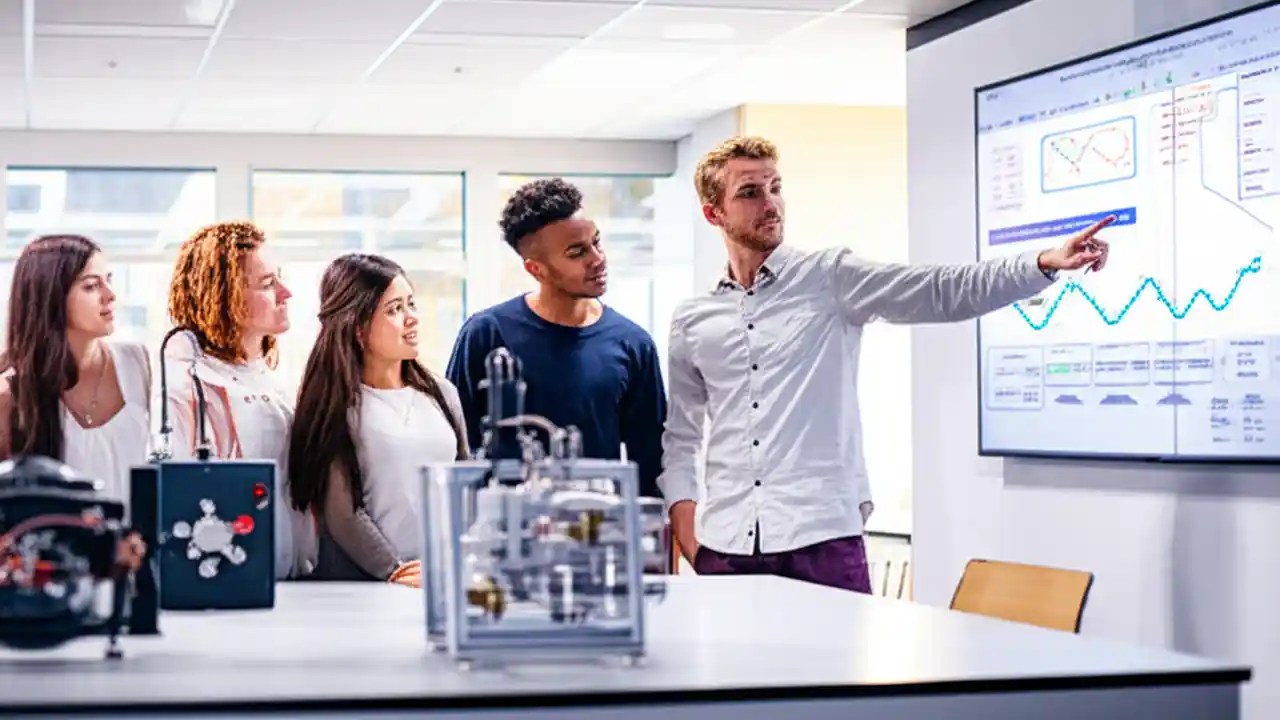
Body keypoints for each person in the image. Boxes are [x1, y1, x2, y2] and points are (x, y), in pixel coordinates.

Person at [658, 136, 1112, 593]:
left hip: (821, 539)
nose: (771, 203)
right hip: (726, 548)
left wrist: (1042, 264)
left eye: (775, 187)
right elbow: (681, 438)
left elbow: (940, 290)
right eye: (750, 193)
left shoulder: (830, 276)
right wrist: (690, 535)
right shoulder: (694, 320)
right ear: (714, 213)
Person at [445, 177, 666, 497]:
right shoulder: (486, 334)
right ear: (536, 269)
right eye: (577, 252)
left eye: (597, 242)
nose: (597, 259)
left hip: (597, 522)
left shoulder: (633, 344)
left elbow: (650, 462)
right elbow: (455, 447)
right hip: (503, 522)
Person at [288, 253, 468, 586]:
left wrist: (454, 562)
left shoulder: (442, 394)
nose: (411, 318)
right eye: (394, 309)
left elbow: (465, 487)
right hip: (366, 586)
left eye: (411, 304)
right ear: (358, 327)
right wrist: (394, 570)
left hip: (438, 577)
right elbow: (342, 513)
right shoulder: (336, 406)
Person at [162, 220, 315, 580]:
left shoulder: (274, 380)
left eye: (279, 278)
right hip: (226, 577)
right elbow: (177, 497)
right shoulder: (184, 385)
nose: (286, 293)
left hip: (294, 577)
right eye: (267, 283)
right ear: (223, 294)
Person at [0, 234, 150, 504]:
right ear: (50, 297)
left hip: (140, 532)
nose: (110, 295)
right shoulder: (11, 395)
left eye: (109, 280)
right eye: (91, 286)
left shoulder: (139, 363)